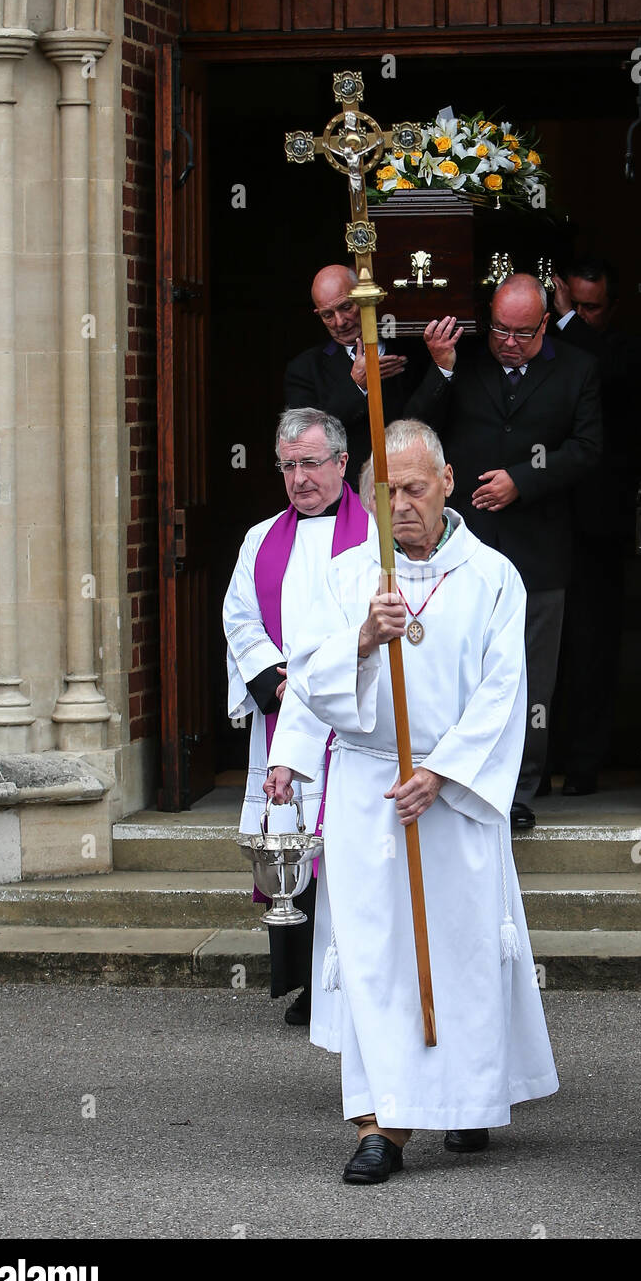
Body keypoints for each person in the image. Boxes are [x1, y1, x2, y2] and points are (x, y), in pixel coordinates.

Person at [265, 419, 558, 1185]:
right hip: (370, 792)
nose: (399, 507)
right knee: (377, 958)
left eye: (414, 489)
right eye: (383, 493)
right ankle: (379, 1124)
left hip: (454, 799)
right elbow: (308, 676)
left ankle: (466, 1099)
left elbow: (504, 692)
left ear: (448, 482)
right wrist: (362, 641)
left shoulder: (493, 575)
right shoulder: (343, 578)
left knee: (459, 954)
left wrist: (446, 773)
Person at [414, 274, 603, 827]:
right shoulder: (463, 360)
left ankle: (518, 790)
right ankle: (456, 778)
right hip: (462, 549)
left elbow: (589, 448)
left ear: (545, 323)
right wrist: (442, 366)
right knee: (463, 666)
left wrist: (524, 479)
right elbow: (416, 430)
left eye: (522, 332)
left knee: (528, 675)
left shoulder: (576, 369)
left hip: (538, 547)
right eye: (499, 328)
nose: (509, 341)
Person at [223, 407, 369, 1024]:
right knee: (293, 850)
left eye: (311, 463)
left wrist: (327, 682)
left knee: (352, 851)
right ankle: (309, 982)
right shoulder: (261, 540)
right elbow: (239, 617)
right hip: (286, 719)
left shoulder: (375, 538)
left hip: (356, 724)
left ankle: (360, 981)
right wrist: (275, 679)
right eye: (288, 466)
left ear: (341, 462)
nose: (299, 478)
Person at [549, 260, 641, 794]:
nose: (583, 316)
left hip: (600, 527)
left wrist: (566, 320)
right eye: (576, 305)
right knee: (546, 650)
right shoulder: (554, 347)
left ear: (612, 307)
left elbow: (600, 368)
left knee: (592, 649)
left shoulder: (625, 350)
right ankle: (540, 767)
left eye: (593, 308)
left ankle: (585, 767)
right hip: (551, 524)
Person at [283, 264, 447, 484]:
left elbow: (426, 421)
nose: (340, 322)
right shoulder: (304, 369)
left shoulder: (411, 350)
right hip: (349, 495)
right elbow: (307, 442)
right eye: (328, 315)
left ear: (366, 299)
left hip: (411, 485)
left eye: (346, 307)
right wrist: (357, 386)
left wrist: (441, 364)